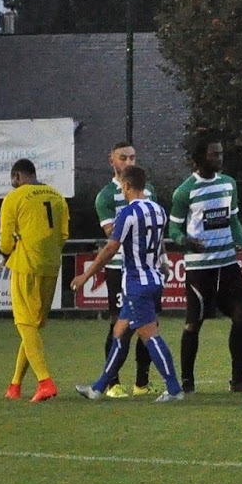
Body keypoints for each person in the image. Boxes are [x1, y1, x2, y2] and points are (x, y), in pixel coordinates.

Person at [71, 165, 185, 402]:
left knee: (150, 336)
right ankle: (98, 388)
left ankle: (174, 389)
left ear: (126, 185)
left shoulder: (127, 213)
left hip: (136, 284)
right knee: (120, 331)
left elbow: (111, 248)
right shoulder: (159, 210)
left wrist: (86, 276)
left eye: (122, 187)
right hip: (154, 278)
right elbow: (158, 243)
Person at [169, 134, 242, 394]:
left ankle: (238, 380)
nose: (219, 158)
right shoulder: (185, 191)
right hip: (200, 268)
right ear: (199, 158)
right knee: (193, 323)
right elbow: (173, 228)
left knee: (241, 317)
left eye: (221, 153)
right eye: (214, 154)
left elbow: (233, 220)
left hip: (227, 264)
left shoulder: (228, 184)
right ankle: (187, 382)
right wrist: (185, 241)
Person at [0, 159, 69, 403]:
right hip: (51, 265)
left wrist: (7, 254)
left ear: (18, 176)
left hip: (26, 265)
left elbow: (5, 241)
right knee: (33, 327)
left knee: (25, 324)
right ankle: (15, 385)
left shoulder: (14, 198)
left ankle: (44, 381)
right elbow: (63, 234)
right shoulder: (57, 196)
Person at [92, 142, 156, 397]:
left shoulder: (148, 191)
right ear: (112, 161)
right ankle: (113, 383)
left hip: (146, 268)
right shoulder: (106, 196)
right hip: (120, 269)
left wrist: (160, 257)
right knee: (119, 325)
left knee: (149, 324)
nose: (129, 162)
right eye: (123, 158)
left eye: (132, 157)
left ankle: (141, 383)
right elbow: (112, 234)